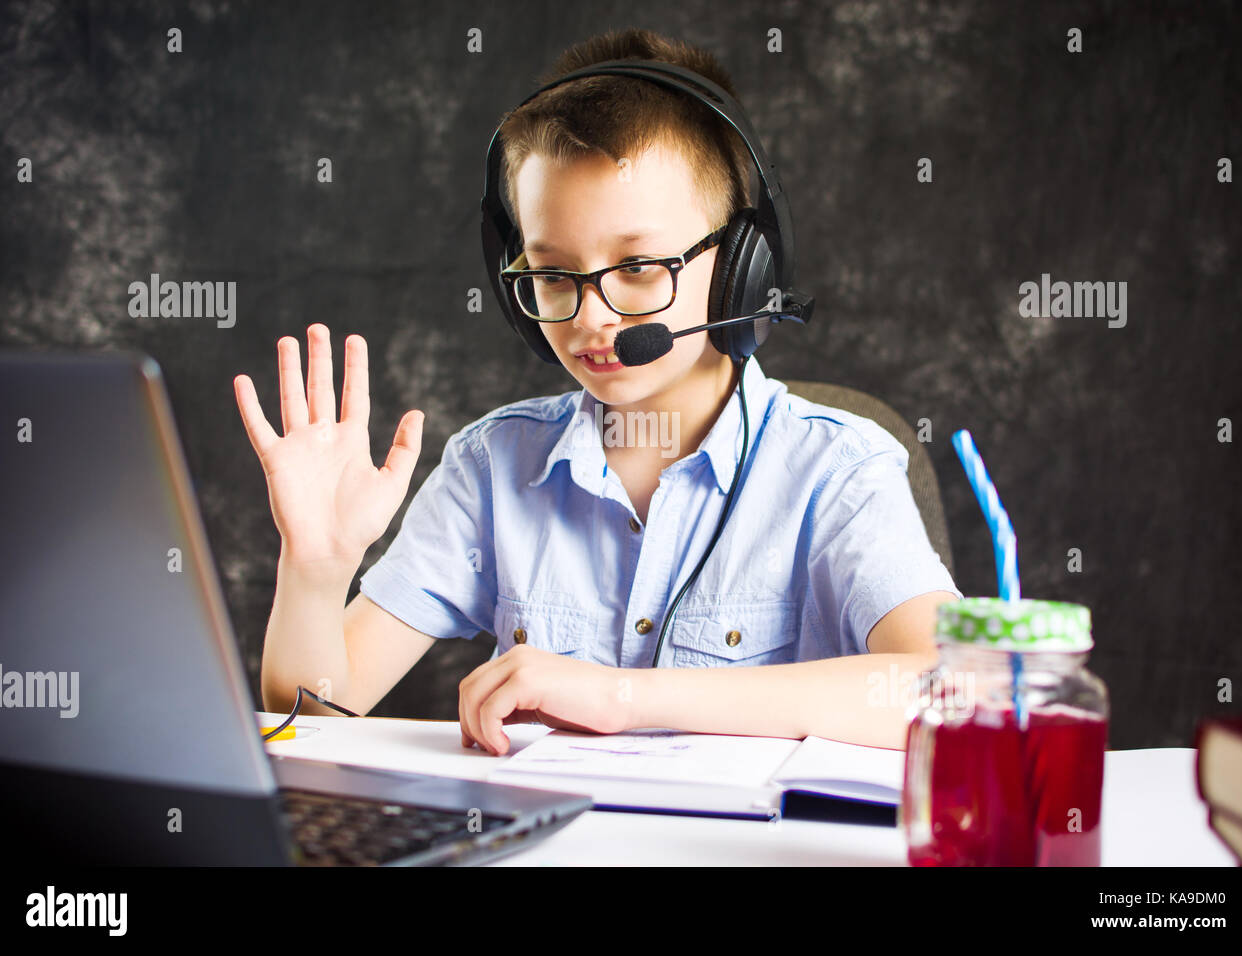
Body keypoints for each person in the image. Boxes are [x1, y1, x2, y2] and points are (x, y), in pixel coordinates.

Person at [233, 28, 960, 755]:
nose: (590, 318)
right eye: (553, 275)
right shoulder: (493, 467)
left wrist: (623, 698)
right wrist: (316, 572)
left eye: (638, 267)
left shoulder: (836, 471)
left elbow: (947, 690)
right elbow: (311, 716)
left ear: (744, 267)